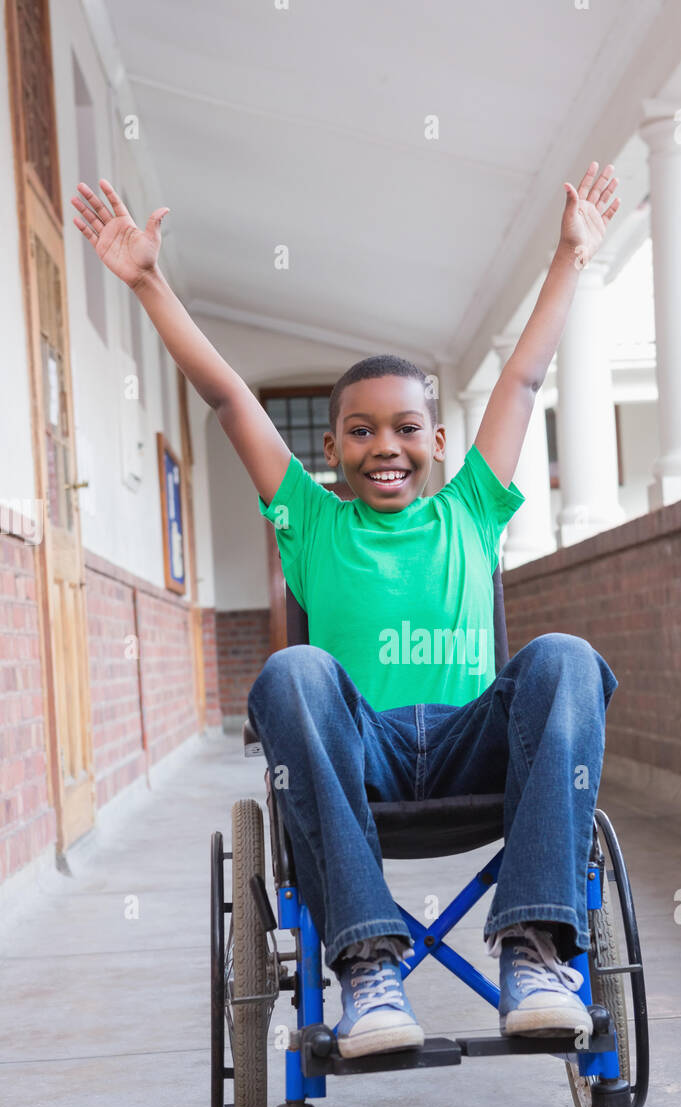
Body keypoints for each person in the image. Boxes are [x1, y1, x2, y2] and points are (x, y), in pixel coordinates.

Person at [71, 162, 621, 1060]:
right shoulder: (311, 522)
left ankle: (534, 948)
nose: (385, 447)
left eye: (407, 428)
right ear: (329, 449)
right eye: (360, 431)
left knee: (563, 654)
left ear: (440, 444)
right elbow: (226, 396)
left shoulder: (471, 509)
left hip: (465, 749)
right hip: (357, 757)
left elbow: (519, 383)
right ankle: (367, 964)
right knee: (293, 669)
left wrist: (569, 256)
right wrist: (146, 282)